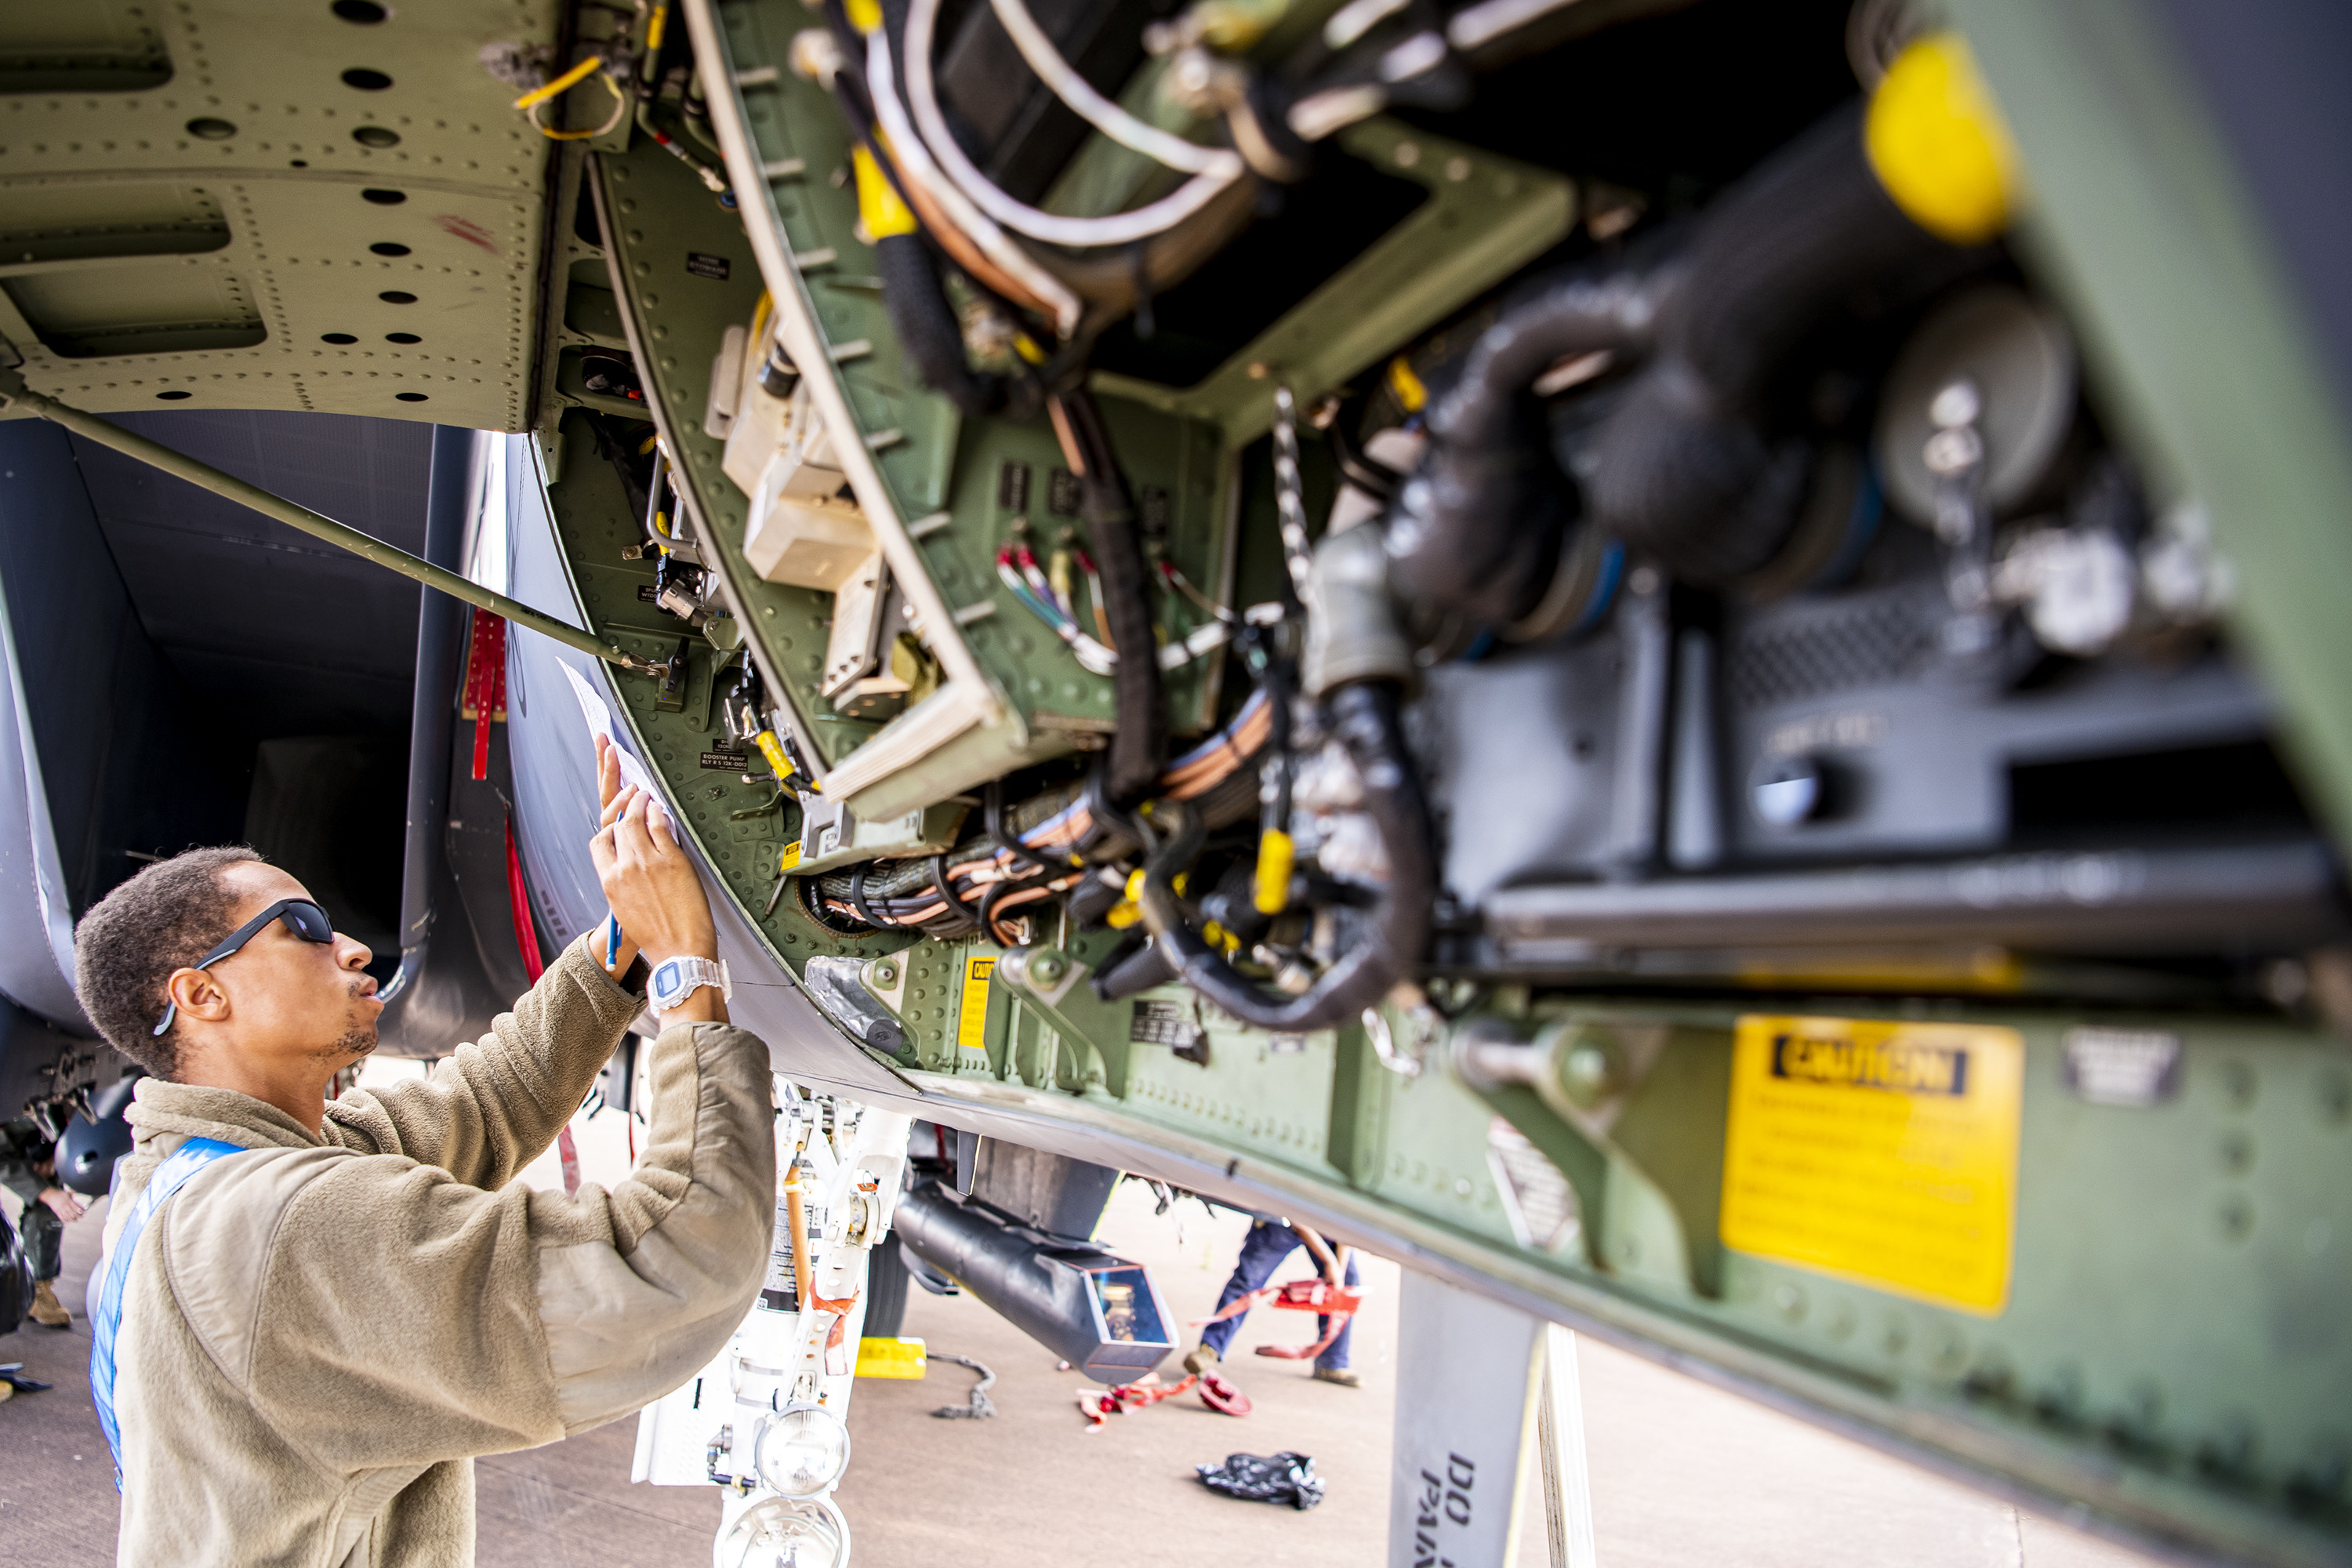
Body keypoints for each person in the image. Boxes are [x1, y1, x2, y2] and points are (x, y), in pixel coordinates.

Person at [73, 736, 775, 1566]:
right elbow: (674, 1266)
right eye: (301, 927)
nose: (354, 947)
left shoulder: (197, 1173)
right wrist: (688, 974)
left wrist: (626, 933)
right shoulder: (278, 1225)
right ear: (201, 992)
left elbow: (487, 1100)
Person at [1183, 1216, 1363, 1388]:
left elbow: (1348, 1223)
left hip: (1328, 1224)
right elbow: (1294, 1215)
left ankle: (1331, 1362)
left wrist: (1339, 1267)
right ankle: (1210, 1349)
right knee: (1247, 1281)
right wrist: (1330, 1261)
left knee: (1346, 1282)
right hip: (1282, 1218)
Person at [0, 1116, 81, 1329]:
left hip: (38, 1127)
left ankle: (37, 1288)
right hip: (10, 1128)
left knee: (49, 1196)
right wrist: (46, 1193)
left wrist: (57, 1154)